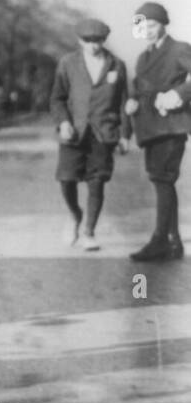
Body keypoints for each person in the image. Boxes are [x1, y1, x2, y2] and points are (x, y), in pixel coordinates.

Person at [49, 18, 131, 251]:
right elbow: (57, 98)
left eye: (98, 40)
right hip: (74, 132)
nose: (94, 45)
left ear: (104, 40)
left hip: (104, 133)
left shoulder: (117, 65)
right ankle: (76, 215)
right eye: (88, 40)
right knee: (66, 179)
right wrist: (63, 121)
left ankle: (89, 232)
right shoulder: (68, 63)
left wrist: (125, 134)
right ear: (79, 40)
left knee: (97, 182)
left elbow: (125, 102)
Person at [126, 2, 191, 262]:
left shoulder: (179, 49)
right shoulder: (143, 58)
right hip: (150, 128)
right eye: (143, 27)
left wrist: (178, 93)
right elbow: (139, 86)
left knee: (163, 180)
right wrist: (132, 100)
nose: (149, 31)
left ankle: (160, 240)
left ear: (164, 24)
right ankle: (173, 241)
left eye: (153, 25)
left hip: (172, 124)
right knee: (161, 181)